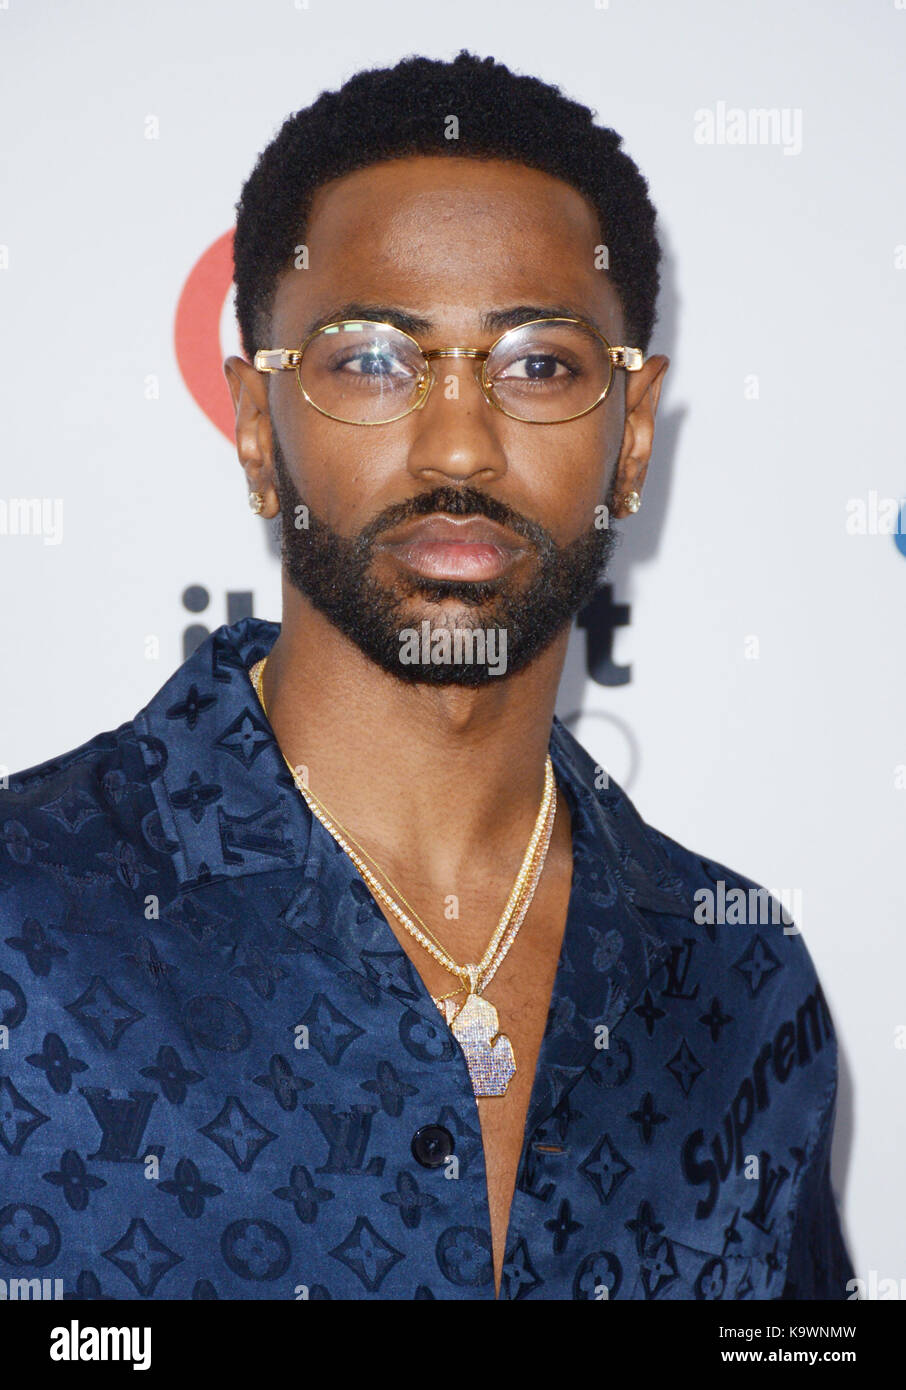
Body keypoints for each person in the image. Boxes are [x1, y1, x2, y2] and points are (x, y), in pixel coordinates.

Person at [0, 51, 853, 1300]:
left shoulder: (736, 977)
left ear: (631, 436)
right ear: (254, 427)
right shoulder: (25, 923)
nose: (461, 442)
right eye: (372, 362)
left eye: (540, 364)